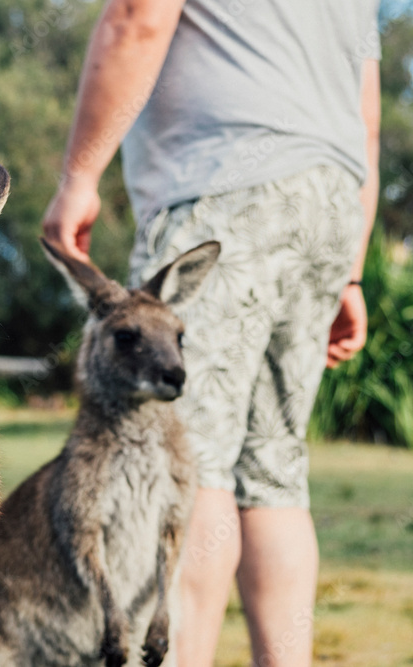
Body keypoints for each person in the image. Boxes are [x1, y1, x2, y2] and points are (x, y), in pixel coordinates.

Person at [41, 1, 381, 664]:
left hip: (227, 185)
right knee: (276, 476)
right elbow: (366, 119)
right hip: (332, 201)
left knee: (193, 463)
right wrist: (352, 275)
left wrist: (79, 175)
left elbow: (137, 16)